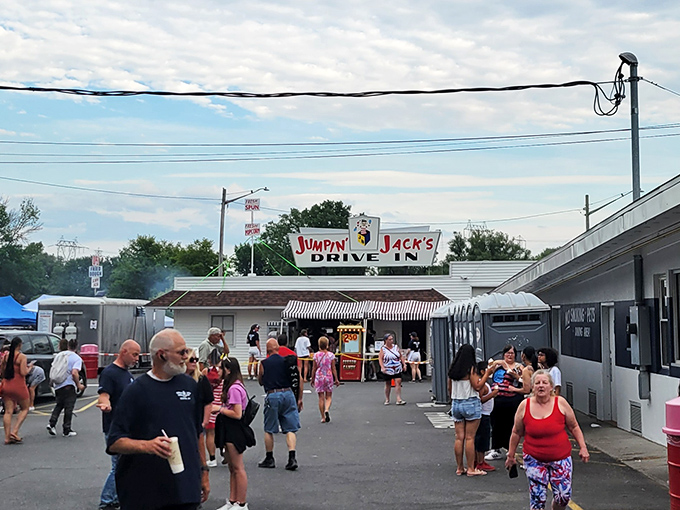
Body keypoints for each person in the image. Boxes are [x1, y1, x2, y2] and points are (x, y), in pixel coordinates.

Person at [107, 329, 210, 510]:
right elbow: (114, 442)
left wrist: (204, 471)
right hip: (146, 492)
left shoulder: (190, 386)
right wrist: (147, 446)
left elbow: (197, 433)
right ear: (161, 355)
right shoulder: (136, 391)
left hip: (185, 489)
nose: (186, 357)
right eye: (181, 352)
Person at [506, 369, 590, 510]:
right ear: (532, 387)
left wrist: (583, 447)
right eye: (537, 383)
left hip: (561, 458)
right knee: (538, 499)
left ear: (551, 386)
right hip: (534, 459)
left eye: (544, 383)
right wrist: (510, 455)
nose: (541, 386)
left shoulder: (561, 403)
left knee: (563, 497)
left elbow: (574, 426)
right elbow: (516, 432)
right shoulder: (524, 406)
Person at [96, 339, 141, 510]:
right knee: (118, 467)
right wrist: (105, 404)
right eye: (134, 354)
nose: (137, 358)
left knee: (123, 466)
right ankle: (107, 501)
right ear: (124, 352)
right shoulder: (110, 373)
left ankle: (115, 498)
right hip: (115, 428)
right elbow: (104, 394)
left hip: (127, 428)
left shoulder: (127, 375)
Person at [447, 344, 492, 476]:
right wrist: (487, 374)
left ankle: (460, 467)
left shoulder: (453, 370)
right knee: (470, 437)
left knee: (459, 437)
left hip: (456, 402)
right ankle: (471, 468)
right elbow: (477, 386)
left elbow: (450, 389)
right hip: (470, 402)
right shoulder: (471, 369)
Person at [257, 338, 302, 470]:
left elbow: (260, 380)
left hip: (273, 394)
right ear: (277, 348)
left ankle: (270, 458)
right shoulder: (287, 362)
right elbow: (298, 379)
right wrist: (299, 398)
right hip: (288, 393)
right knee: (290, 428)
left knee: (269, 428)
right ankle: (292, 457)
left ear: (267, 349)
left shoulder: (264, 363)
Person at [214, 358, 250, 510]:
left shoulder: (234, 389)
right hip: (229, 429)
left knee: (238, 467)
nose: (219, 372)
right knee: (232, 468)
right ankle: (233, 500)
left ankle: (241, 503)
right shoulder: (232, 386)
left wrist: (219, 409)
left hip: (234, 429)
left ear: (228, 370)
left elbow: (237, 413)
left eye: (221, 369)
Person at [486, 344, 524, 461]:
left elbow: (522, 379)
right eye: (507, 353)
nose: (510, 355)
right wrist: (499, 363)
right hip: (497, 398)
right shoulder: (498, 365)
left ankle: (510, 449)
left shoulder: (519, 366)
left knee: (511, 425)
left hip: (512, 399)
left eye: (512, 353)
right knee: (496, 424)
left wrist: (511, 371)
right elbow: (489, 369)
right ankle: (495, 449)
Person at [47, 338, 84, 438]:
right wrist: (78, 384)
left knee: (59, 405)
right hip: (68, 385)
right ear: (76, 347)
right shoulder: (76, 358)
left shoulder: (59, 355)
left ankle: (51, 424)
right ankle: (66, 429)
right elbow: (74, 373)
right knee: (69, 407)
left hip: (58, 384)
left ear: (68, 346)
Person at [185, 347, 215, 469]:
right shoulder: (176, 380)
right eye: (191, 359)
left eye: (196, 360)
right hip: (182, 421)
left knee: (196, 448)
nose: (194, 362)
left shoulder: (201, 380)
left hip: (197, 422)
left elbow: (209, 401)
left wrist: (205, 421)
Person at [1, 337, 30, 444]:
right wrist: (29, 368)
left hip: (7, 384)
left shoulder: (6, 356)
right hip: (18, 385)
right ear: (19, 345)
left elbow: (2, 371)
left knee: (8, 411)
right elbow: (23, 372)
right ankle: (15, 431)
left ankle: (7, 437)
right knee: (25, 408)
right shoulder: (22, 357)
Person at [474, 361, 498, 472]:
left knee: (480, 438)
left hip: (485, 414)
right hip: (484, 415)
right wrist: (492, 394)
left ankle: (478, 460)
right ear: (483, 371)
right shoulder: (482, 384)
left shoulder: (483, 383)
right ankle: (480, 461)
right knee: (482, 439)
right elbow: (480, 400)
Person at [311, 336, 340, 423]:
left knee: (321, 397)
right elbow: (333, 368)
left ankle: (323, 417)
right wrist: (336, 379)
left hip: (319, 377)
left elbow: (314, 368)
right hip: (328, 376)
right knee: (329, 396)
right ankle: (327, 409)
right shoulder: (331, 355)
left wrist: (312, 379)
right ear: (327, 345)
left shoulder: (316, 355)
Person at [202, 349, 224, 467]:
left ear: (209, 360)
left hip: (210, 406)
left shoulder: (206, 371)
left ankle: (212, 458)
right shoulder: (224, 372)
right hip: (221, 405)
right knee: (222, 430)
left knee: (210, 433)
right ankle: (224, 450)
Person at [379, 333, 406, 405]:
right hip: (388, 368)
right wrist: (382, 367)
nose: (391, 341)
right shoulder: (383, 349)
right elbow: (380, 359)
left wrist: (404, 364)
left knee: (398, 382)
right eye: (390, 339)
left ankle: (398, 399)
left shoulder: (396, 347)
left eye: (392, 339)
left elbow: (401, 356)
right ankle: (387, 399)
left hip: (397, 367)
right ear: (386, 340)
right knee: (388, 384)